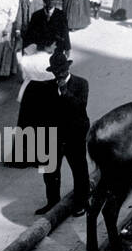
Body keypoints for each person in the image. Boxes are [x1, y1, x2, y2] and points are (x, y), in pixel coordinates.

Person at [21, 50, 90, 217]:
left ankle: (82, 202)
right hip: (55, 135)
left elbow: (80, 106)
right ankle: (52, 202)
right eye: (56, 72)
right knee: (50, 171)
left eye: (62, 71)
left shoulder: (81, 83)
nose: (59, 75)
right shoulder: (48, 88)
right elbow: (44, 113)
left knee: (79, 170)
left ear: (67, 69)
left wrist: (65, 92)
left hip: (75, 134)